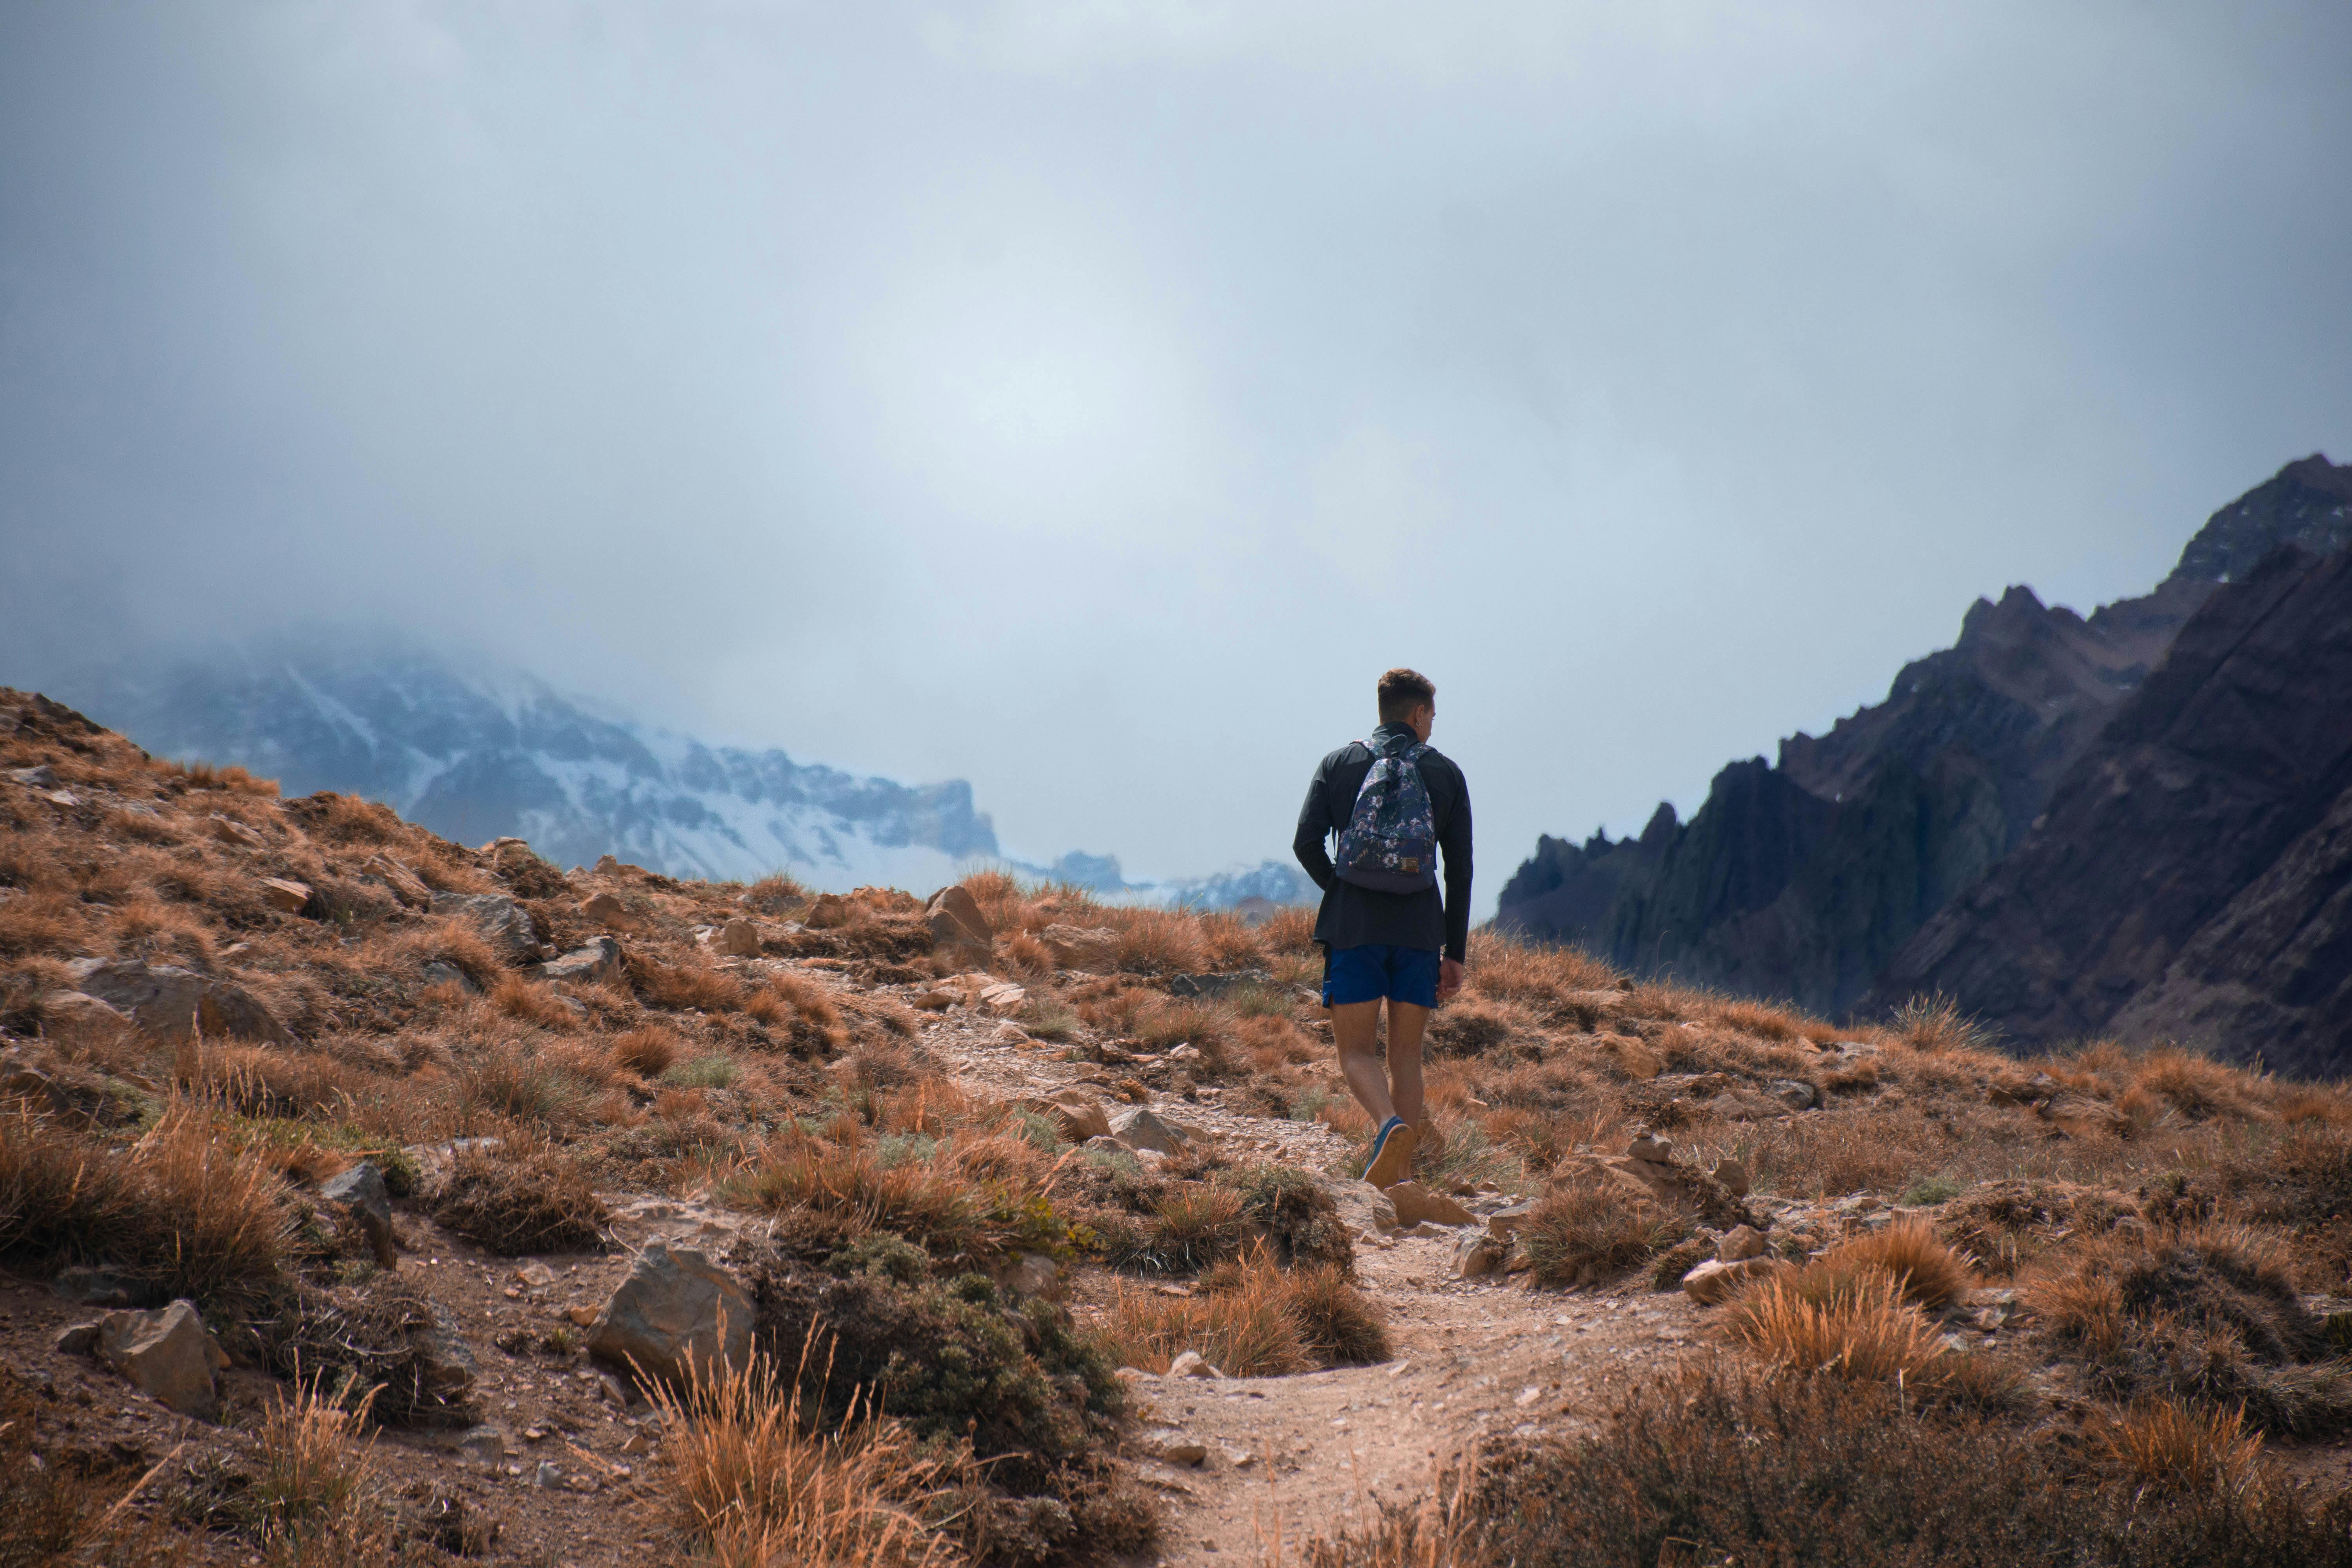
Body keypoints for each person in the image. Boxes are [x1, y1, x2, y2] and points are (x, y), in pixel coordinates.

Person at [1292, 667, 1472, 1190]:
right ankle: (1404, 1179)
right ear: (1417, 714)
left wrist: (1342, 889)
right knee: (1407, 1056)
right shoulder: (1445, 774)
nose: (1433, 726)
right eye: (1432, 716)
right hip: (1419, 929)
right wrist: (1454, 951)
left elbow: (1306, 843)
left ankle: (1388, 1126)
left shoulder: (1340, 763)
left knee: (1355, 1053)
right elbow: (1460, 870)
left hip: (1355, 928)